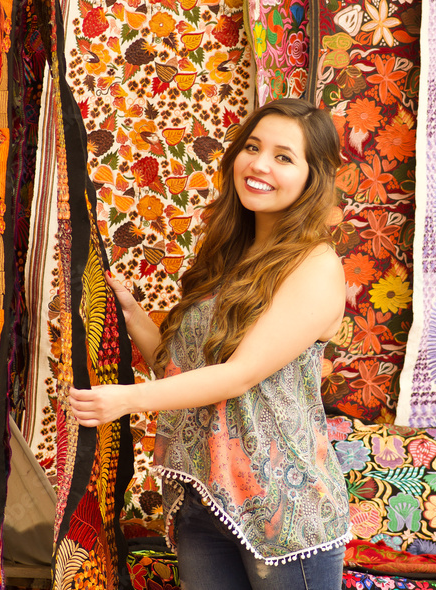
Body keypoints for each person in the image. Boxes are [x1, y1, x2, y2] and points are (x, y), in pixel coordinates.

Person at [69, 98, 352, 589]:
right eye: (253, 147)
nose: (260, 164)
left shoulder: (316, 264)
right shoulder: (228, 255)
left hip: (283, 512)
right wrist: (132, 313)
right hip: (205, 499)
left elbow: (237, 375)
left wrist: (127, 400)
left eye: (284, 157)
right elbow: (180, 370)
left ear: (313, 177)